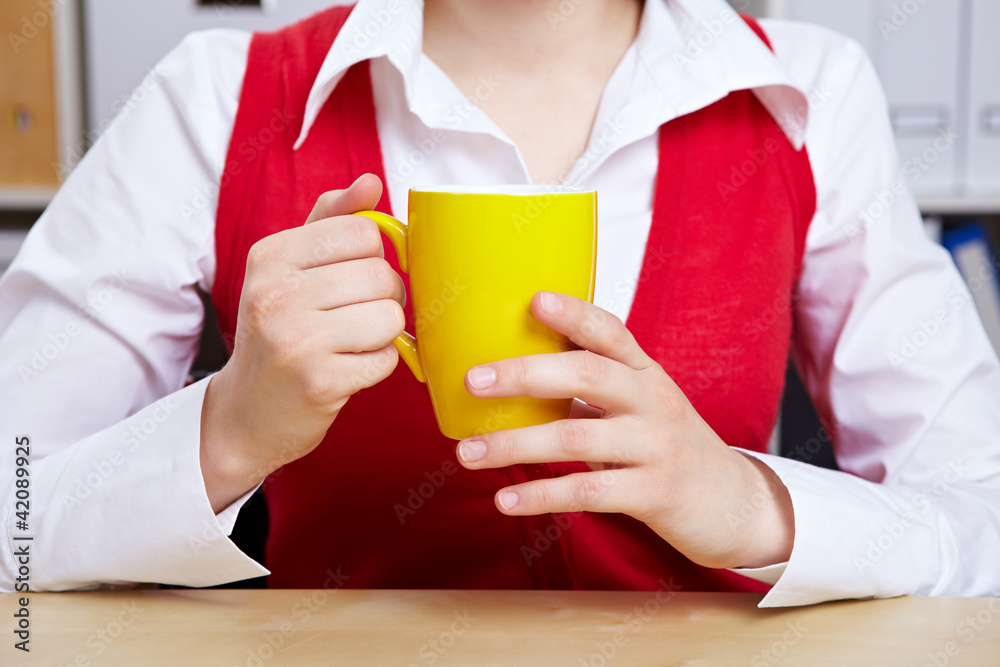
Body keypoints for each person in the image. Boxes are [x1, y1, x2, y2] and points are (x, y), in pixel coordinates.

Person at [1, 0, 998, 607]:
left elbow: (980, 514)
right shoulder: (215, 96)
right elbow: (8, 516)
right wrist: (228, 426)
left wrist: (754, 507)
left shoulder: (807, 92)